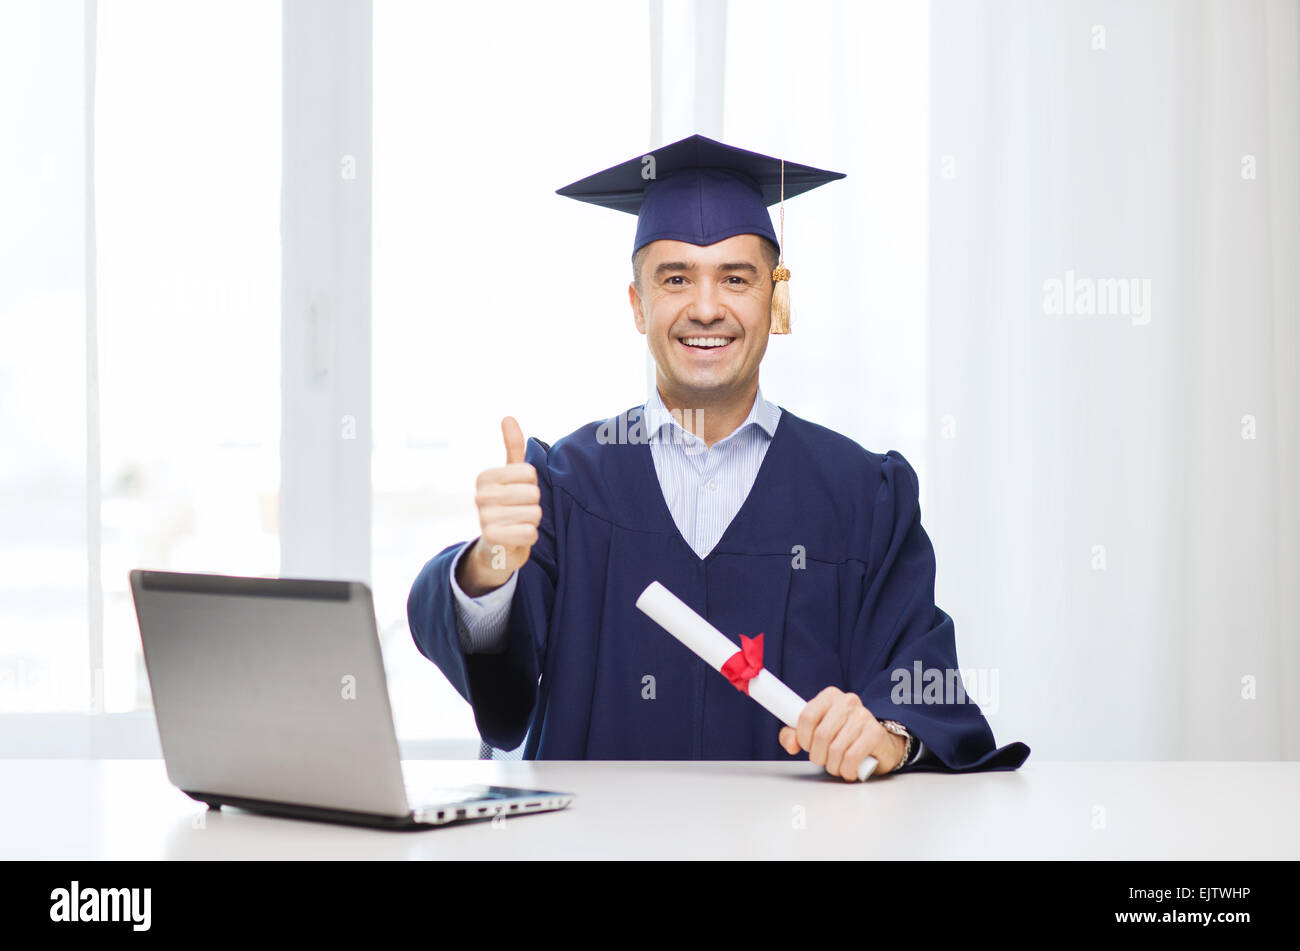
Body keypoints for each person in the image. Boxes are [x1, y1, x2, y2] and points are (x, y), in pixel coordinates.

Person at [408, 134, 1029, 780]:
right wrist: (491, 565)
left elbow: (923, 682)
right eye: (675, 279)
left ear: (774, 300)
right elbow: (501, 693)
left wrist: (887, 732)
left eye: (736, 278)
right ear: (637, 305)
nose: (706, 307)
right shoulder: (566, 488)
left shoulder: (862, 496)